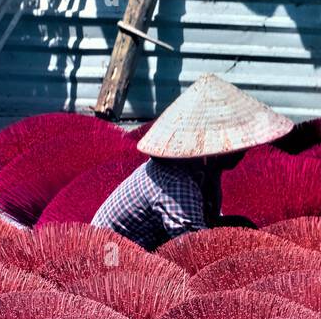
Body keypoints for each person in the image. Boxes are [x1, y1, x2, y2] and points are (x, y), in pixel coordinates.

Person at [92, 74, 294, 250]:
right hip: (111, 261)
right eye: (234, 146)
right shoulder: (176, 181)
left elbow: (208, 223)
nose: (243, 151)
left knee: (240, 225)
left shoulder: (202, 171)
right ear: (212, 151)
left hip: (145, 250)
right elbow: (193, 249)